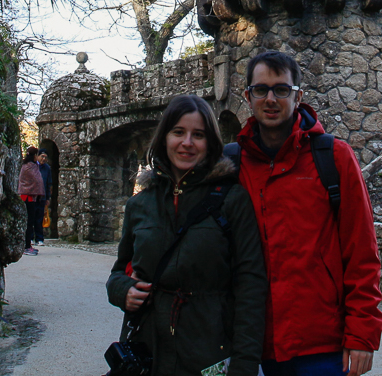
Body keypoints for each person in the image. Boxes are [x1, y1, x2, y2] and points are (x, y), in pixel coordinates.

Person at [234, 49, 382, 376]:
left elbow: (361, 252)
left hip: (322, 346)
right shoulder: (232, 164)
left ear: (298, 96)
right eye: (261, 89)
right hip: (250, 345)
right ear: (248, 96)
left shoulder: (334, 157)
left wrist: (362, 334)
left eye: (281, 89)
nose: (270, 98)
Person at [107, 95, 266, 376]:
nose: (187, 143)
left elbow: (251, 286)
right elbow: (120, 271)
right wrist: (122, 291)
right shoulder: (140, 205)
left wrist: (244, 364)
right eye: (178, 132)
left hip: (209, 353)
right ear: (164, 137)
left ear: (211, 142)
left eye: (199, 135)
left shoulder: (232, 201)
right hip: (149, 349)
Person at [17, 146, 45, 256]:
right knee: (29, 222)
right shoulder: (29, 167)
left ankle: (28, 244)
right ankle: (26, 246)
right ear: (34, 156)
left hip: (31, 197)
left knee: (31, 222)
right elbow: (36, 181)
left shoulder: (30, 166)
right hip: (28, 197)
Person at [36, 151, 52, 245]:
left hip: (42, 196)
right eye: (42, 156)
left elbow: (48, 183)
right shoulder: (33, 166)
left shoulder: (47, 168)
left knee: (40, 218)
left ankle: (39, 238)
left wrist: (47, 198)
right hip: (33, 196)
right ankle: (30, 238)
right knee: (31, 218)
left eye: (45, 157)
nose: (44, 159)